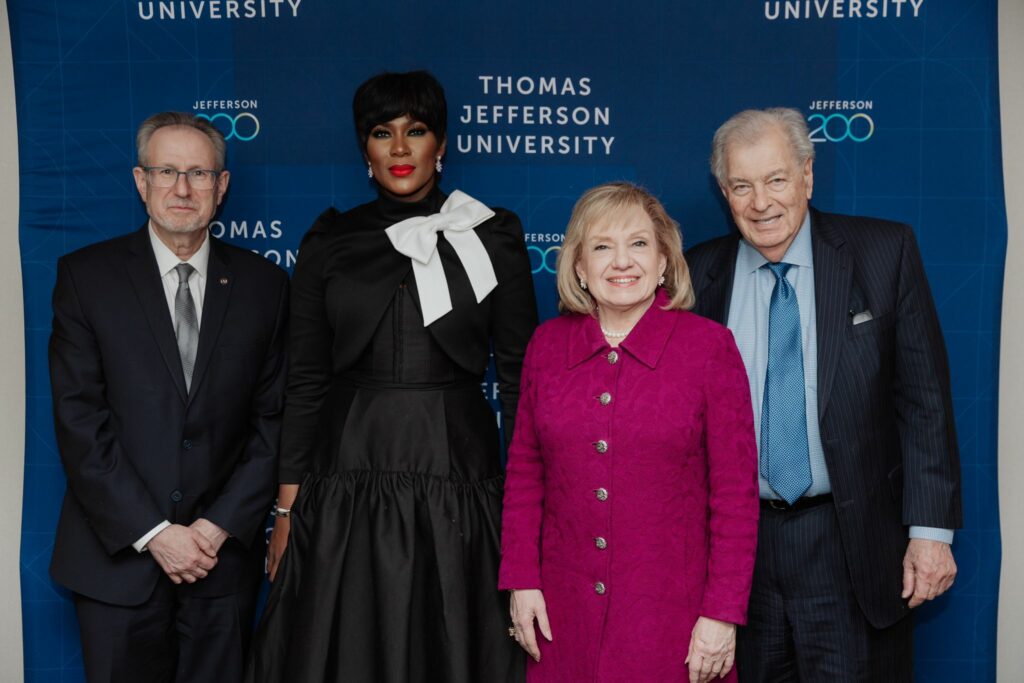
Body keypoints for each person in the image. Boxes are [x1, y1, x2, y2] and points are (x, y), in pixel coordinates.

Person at [246, 70, 538, 683]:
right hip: (348, 477)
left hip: (458, 477)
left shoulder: (492, 236)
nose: (400, 148)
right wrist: (287, 514)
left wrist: (521, 521)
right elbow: (306, 382)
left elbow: (519, 385)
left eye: (416, 130)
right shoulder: (330, 239)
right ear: (365, 148)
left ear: (442, 144)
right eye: (383, 133)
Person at [686, 107, 962, 682]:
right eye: (742, 186)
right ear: (724, 192)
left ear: (807, 176)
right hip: (739, 553)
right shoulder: (695, 276)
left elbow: (924, 402)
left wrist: (931, 533)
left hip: (854, 544)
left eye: (776, 179)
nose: (761, 202)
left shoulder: (884, 253)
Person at [48, 111, 289, 682]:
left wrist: (213, 528)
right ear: (141, 181)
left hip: (219, 565)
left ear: (221, 186)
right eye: (166, 171)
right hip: (115, 564)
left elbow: (275, 420)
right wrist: (155, 534)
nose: (182, 188)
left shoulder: (266, 286)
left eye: (199, 173)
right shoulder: (86, 278)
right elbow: (80, 422)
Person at [499, 182, 760, 683]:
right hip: (562, 618)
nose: (622, 261)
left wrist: (721, 614)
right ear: (579, 266)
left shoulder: (709, 348)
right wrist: (521, 581)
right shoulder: (547, 346)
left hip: (673, 623)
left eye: (638, 243)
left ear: (663, 261)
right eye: (602, 246)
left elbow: (735, 496)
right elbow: (526, 475)